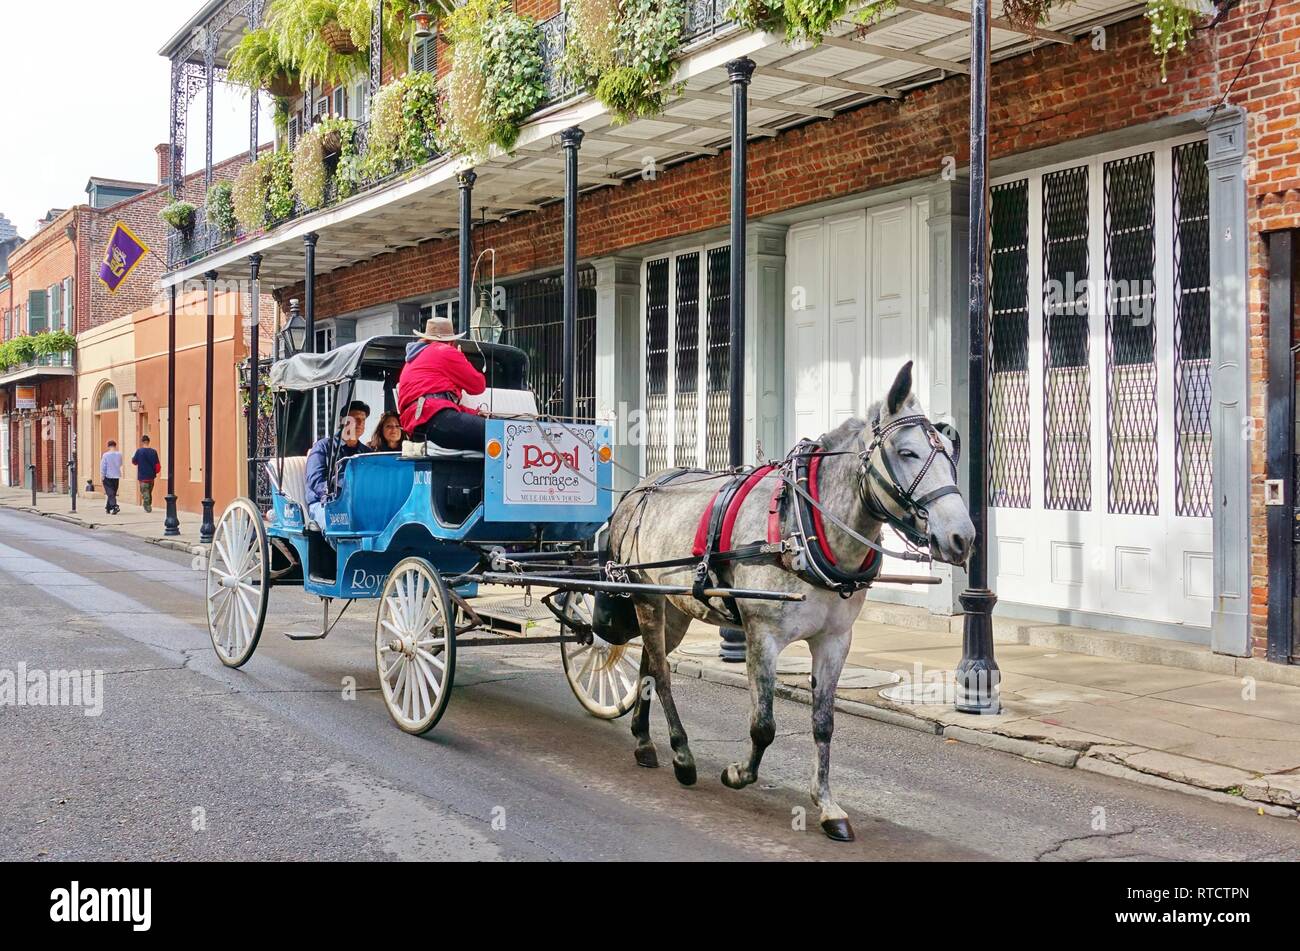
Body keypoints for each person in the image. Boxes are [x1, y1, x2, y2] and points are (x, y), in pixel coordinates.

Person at [397, 315, 487, 451]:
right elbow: (478, 385)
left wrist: (474, 413)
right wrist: (461, 358)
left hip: (418, 425)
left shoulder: (413, 358)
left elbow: (440, 399)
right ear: (451, 341)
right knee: (497, 435)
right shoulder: (444, 351)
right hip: (434, 417)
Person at [305, 400, 372, 530]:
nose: (360, 423)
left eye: (363, 420)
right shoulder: (323, 447)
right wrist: (337, 496)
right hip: (324, 504)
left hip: (357, 504)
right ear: (343, 420)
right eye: (355, 419)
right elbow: (315, 480)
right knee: (338, 523)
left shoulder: (366, 452)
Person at [131, 435, 161, 513]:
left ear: (142, 442)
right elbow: (157, 464)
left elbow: (134, 462)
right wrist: (156, 472)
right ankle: (148, 504)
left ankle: (147, 506)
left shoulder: (139, 451)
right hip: (151, 476)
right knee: (149, 492)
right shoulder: (154, 452)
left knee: (145, 492)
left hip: (143, 476)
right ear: (148, 441)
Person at [100, 440, 123, 515]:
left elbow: (103, 466)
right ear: (115, 446)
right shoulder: (119, 454)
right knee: (112, 493)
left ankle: (114, 506)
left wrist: (102, 475)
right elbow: (120, 464)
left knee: (110, 493)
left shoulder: (106, 455)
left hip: (107, 476)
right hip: (116, 476)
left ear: (108, 446)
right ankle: (108, 508)